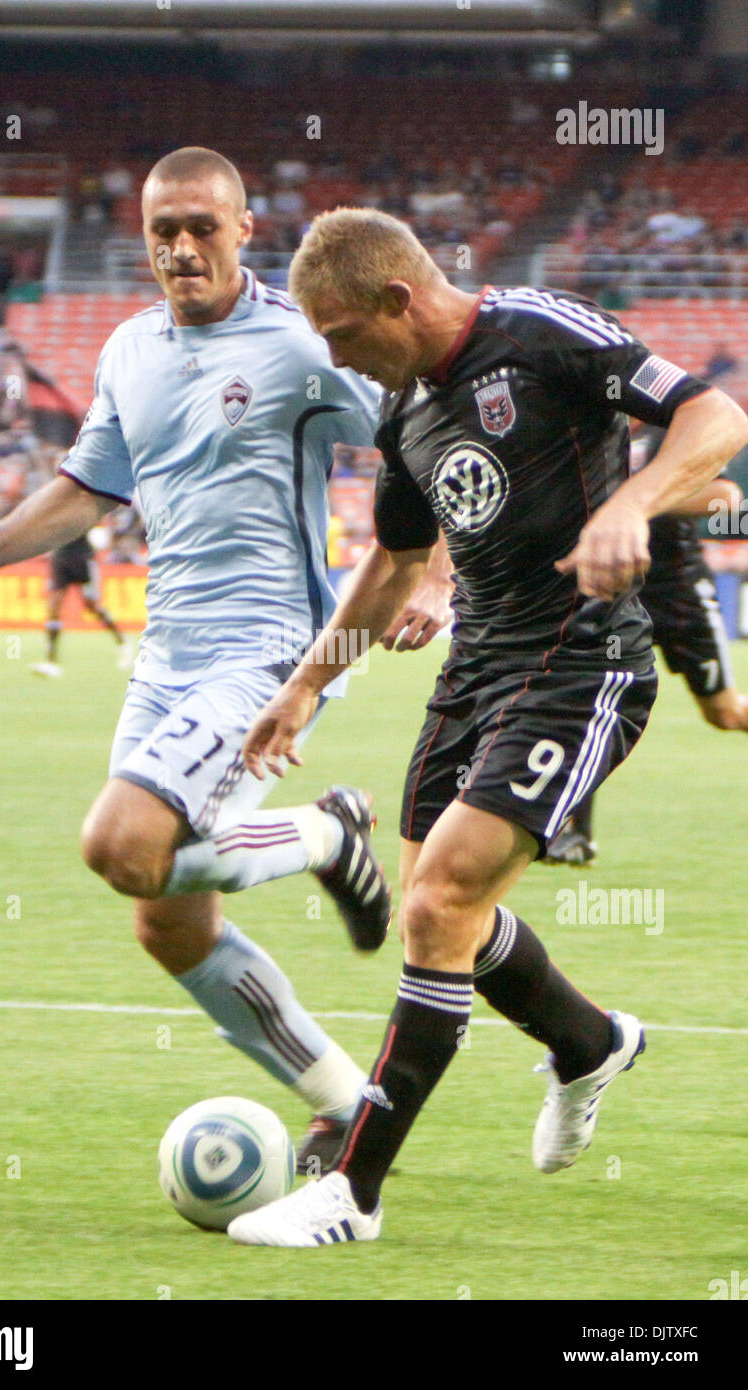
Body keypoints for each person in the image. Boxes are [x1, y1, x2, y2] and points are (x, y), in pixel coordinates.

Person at [0, 151, 450, 1172]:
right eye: (162, 232)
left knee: (119, 843)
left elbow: (421, 435)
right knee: (167, 923)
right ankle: (341, 1104)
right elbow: (85, 486)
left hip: (270, 650)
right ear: (141, 237)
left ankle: (322, 832)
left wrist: (434, 577)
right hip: (166, 659)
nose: (180, 248)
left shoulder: (299, 343)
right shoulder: (127, 349)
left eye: (201, 227)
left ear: (243, 231)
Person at [228, 207, 748, 1246]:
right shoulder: (404, 412)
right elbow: (389, 566)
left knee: (434, 904)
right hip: (477, 669)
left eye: (340, 337)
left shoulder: (540, 333)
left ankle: (353, 1192)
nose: (336, 358)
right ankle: (588, 1039)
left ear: (396, 300)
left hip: (581, 659)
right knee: (447, 914)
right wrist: (302, 687)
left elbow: (714, 418)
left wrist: (629, 505)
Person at [547, 427, 748, 864]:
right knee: (581, 704)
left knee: (726, 713)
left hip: (677, 594)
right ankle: (573, 836)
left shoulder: (672, 428)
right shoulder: (582, 429)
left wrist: (634, 500)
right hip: (610, 594)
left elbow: (725, 497)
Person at [31, 531, 134, 677]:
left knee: (91, 606)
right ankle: (51, 660)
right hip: (60, 556)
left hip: (82, 557)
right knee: (54, 607)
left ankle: (122, 641)